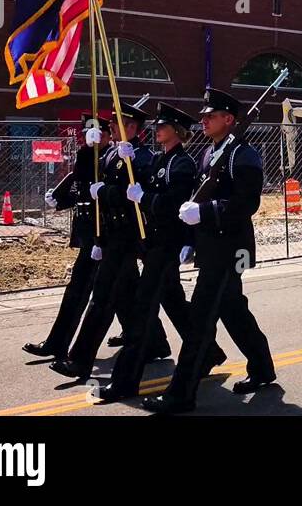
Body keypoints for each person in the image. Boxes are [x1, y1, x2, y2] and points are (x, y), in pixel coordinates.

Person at [142, 89, 275, 414]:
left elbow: (247, 203)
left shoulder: (243, 155)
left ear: (229, 119)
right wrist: (191, 237)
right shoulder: (209, 154)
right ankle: (262, 368)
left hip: (230, 249)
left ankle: (180, 396)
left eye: (210, 115)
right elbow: (196, 199)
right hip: (210, 246)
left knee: (201, 319)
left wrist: (206, 212)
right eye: (203, 115)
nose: (203, 120)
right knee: (232, 310)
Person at [97, 103, 226, 402]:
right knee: (174, 301)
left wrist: (146, 199)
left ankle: (125, 381)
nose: (157, 130)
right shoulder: (158, 160)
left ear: (177, 132)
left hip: (167, 245)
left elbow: (173, 205)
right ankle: (208, 351)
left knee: (143, 310)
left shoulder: (182, 164)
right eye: (157, 126)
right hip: (154, 243)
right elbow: (140, 183)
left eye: (163, 126)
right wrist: (124, 156)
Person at [50, 103, 170, 380]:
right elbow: (85, 179)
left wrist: (111, 187)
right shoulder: (112, 153)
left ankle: (79, 360)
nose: (110, 127)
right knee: (126, 296)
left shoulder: (141, 157)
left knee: (102, 298)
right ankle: (156, 344)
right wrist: (89, 150)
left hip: (129, 236)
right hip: (111, 235)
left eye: (116, 124)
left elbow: (135, 196)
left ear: (131, 128)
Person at [23, 115, 111, 358]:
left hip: (105, 234)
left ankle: (59, 344)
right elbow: (80, 181)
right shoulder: (88, 156)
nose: (91, 137)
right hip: (89, 232)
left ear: (108, 134)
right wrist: (60, 199)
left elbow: (101, 188)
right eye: (87, 134)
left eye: (97, 133)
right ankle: (154, 340)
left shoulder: (113, 157)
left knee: (82, 289)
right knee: (123, 294)